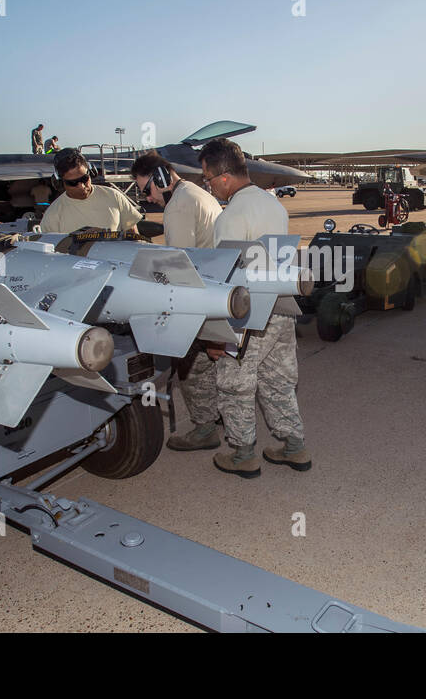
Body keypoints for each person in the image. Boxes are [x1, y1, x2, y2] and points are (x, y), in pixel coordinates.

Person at [199, 138, 307, 478]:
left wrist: (217, 336)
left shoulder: (231, 216)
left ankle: (243, 454)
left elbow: (226, 279)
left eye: (209, 179)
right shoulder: (272, 203)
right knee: (278, 380)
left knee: (234, 382)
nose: (209, 185)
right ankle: (294, 447)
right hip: (282, 306)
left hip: (249, 312)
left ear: (225, 178)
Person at [131, 152, 225, 453]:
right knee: (213, 362)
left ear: (161, 178)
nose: (149, 198)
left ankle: (204, 428)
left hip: (198, 296)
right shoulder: (198, 192)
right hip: (217, 287)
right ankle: (217, 412)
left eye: (148, 190)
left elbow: (178, 266)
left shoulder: (178, 206)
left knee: (190, 363)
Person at [39, 148, 143, 235]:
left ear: (91, 172)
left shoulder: (114, 196)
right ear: (60, 182)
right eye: (73, 183)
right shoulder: (52, 216)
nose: (81, 186)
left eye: (84, 179)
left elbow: (133, 234)